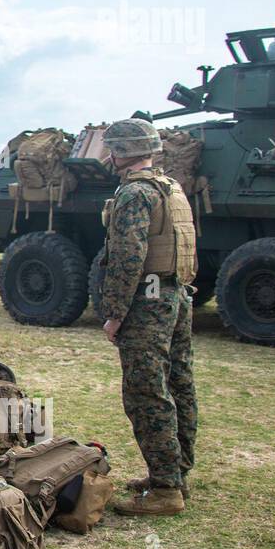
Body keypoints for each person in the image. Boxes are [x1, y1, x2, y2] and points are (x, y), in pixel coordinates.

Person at [98, 118, 198, 517]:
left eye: (111, 149)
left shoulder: (135, 194)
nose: (109, 156)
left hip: (148, 302)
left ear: (122, 153)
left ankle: (166, 489)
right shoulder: (171, 188)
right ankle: (175, 472)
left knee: (146, 392)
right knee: (179, 385)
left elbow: (128, 255)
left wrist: (115, 313)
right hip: (176, 295)